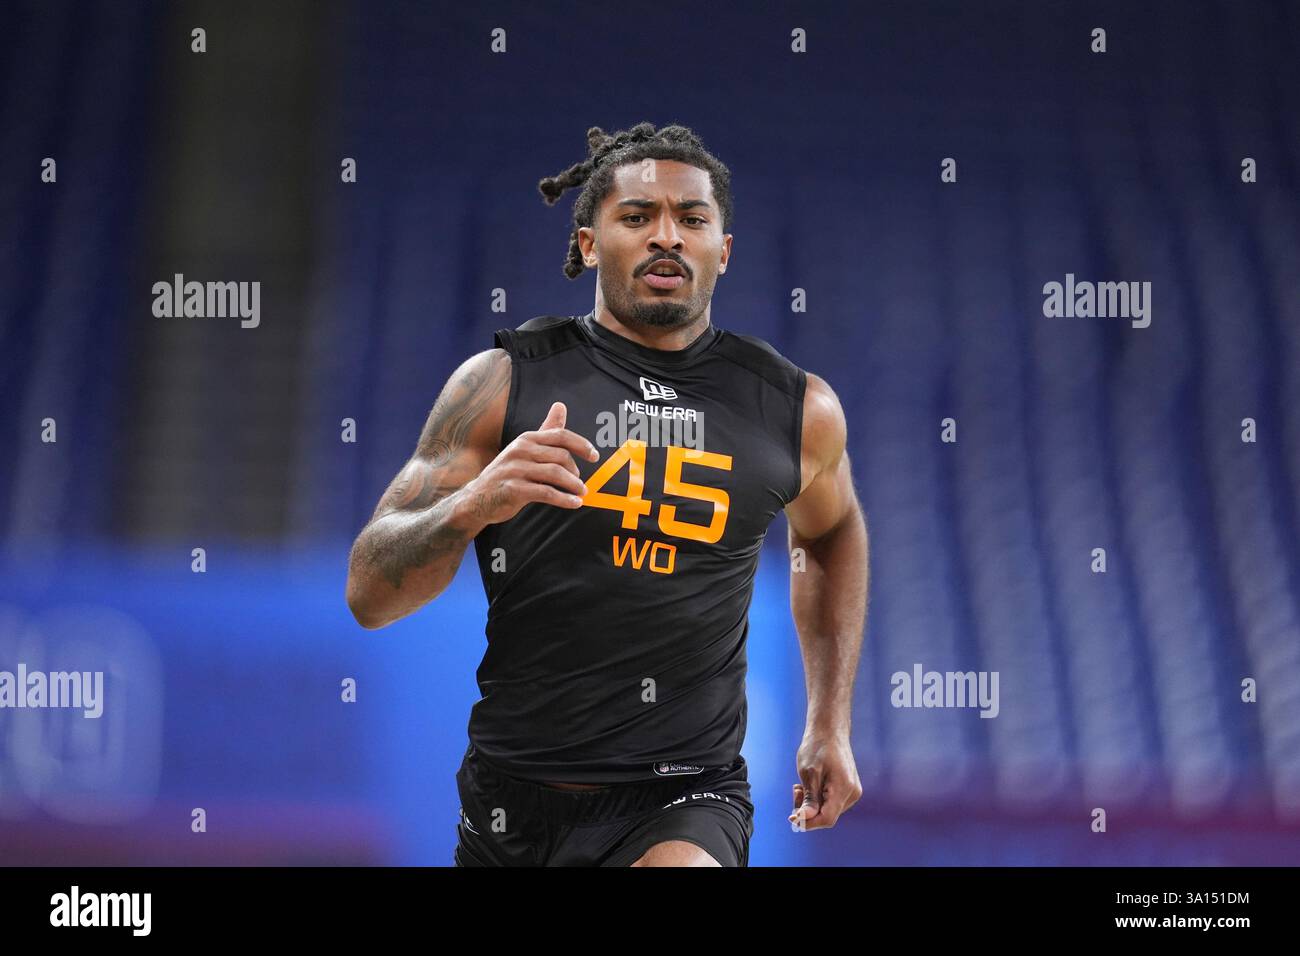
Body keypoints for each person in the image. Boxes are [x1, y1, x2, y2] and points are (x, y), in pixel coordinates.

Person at [346, 122, 868, 866]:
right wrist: (472, 507)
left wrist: (829, 721)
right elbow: (370, 595)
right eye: (637, 217)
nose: (668, 237)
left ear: (723, 248)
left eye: (691, 219)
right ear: (590, 243)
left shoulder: (794, 408)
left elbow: (831, 531)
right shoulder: (503, 383)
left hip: (688, 791)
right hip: (513, 795)